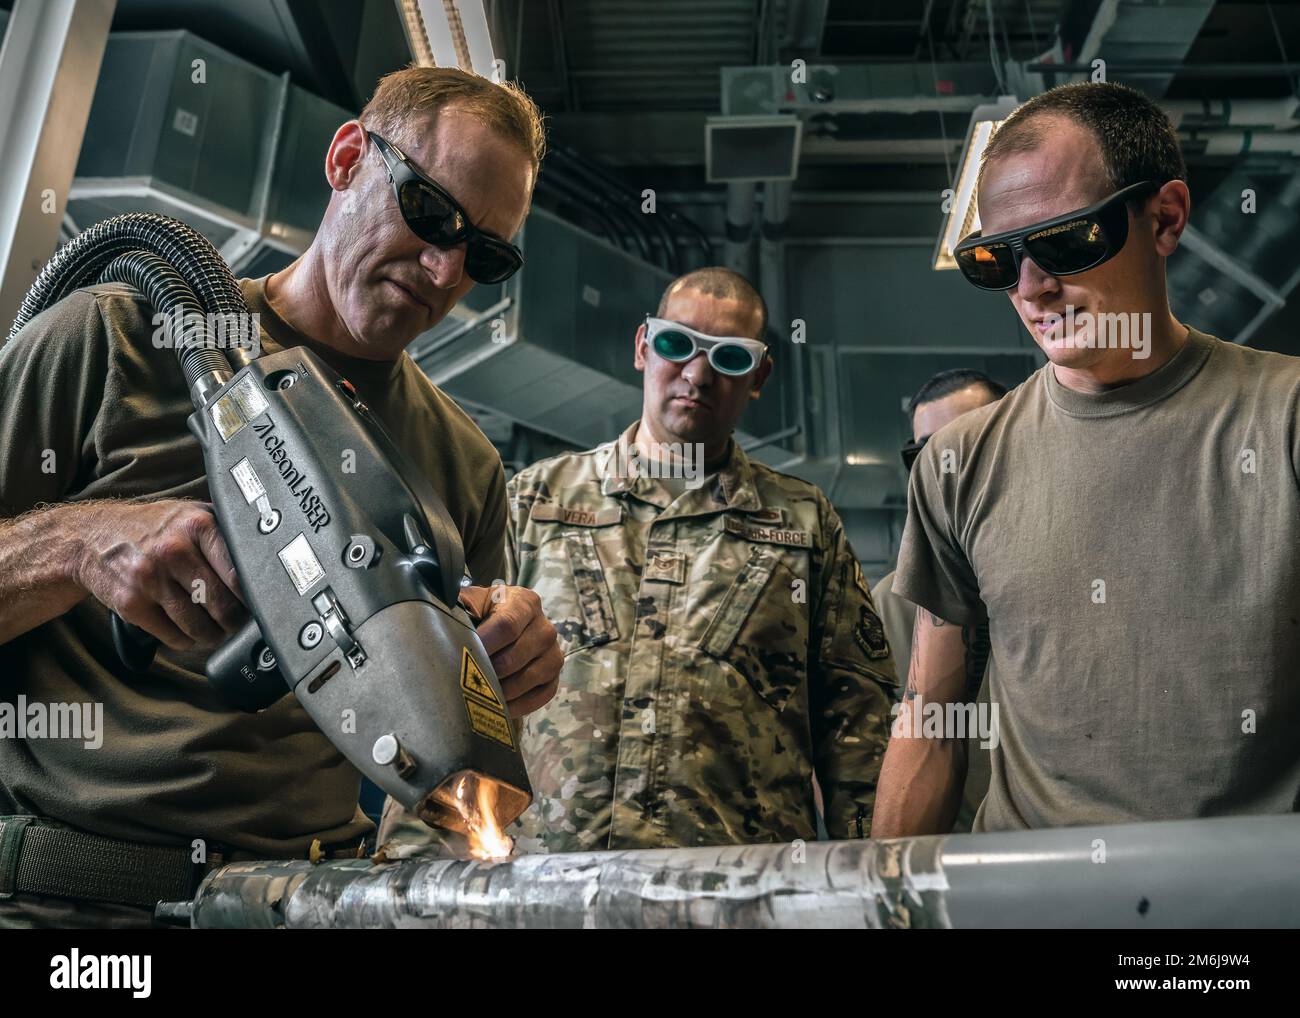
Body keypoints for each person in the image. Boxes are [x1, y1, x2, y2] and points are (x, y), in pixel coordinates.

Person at [0, 67, 562, 927]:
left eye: (483, 255)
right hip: (75, 910)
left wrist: (506, 669)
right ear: (346, 158)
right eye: (431, 213)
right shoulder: (113, 340)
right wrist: (78, 542)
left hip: (297, 907)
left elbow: (450, 775)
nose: (446, 267)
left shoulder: (465, 465)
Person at [873, 81, 1300, 837]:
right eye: (995, 261)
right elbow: (932, 718)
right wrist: (889, 905)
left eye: (1067, 242)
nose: (1032, 288)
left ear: (1165, 218)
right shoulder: (958, 463)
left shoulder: (1284, 415)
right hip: (1034, 899)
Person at [504, 267, 896, 851]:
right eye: (676, 344)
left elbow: (859, 735)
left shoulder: (804, 524)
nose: (698, 374)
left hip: (733, 892)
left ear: (759, 376)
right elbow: (457, 689)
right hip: (545, 888)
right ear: (643, 347)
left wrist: (869, 887)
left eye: (730, 358)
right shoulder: (535, 501)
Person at [872, 368, 1005, 831]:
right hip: (941, 866)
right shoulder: (889, 605)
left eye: (971, 442)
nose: (948, 469)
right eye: (926, 454)